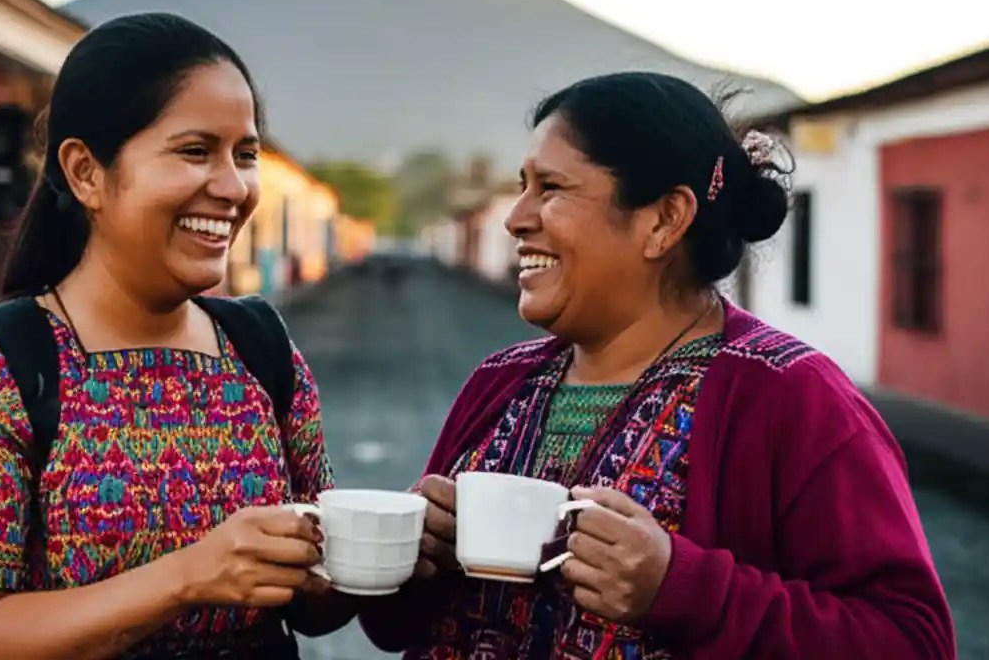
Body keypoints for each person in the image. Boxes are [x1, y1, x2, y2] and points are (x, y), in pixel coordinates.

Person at [359, 72, 955, 659]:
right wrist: (416, 560)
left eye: (551, 188)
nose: (517, 217)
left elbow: (914, 639)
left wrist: (685, 590)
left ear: (665, 220)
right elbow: (394, 629)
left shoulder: (791, 397)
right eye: (523, 185)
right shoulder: (500, 384)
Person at [0, 13, 356, 659]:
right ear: (85, 173)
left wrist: (395, 557)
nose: (233, 187)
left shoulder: (261, 351)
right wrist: (188, 577)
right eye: (195, 151)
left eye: (244, 155)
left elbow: (311, 600)